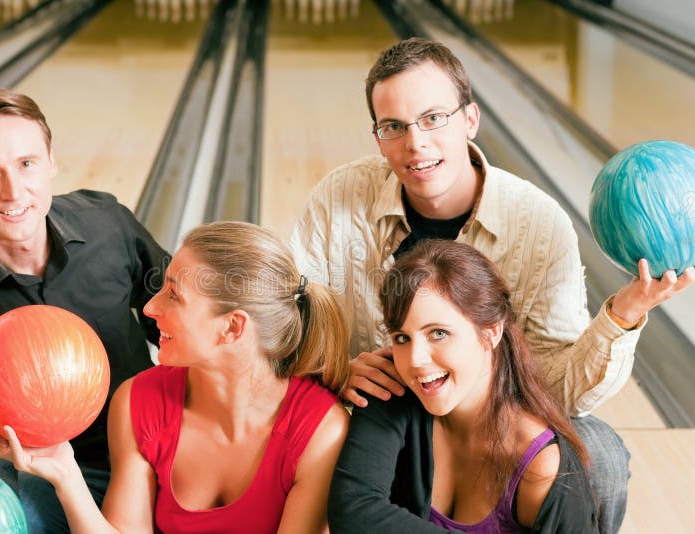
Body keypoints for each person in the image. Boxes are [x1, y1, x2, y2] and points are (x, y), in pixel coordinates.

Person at [290, 38, 695, 533]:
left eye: (434, 117)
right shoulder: (335, 199)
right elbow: (288, 328)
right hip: (376, 418)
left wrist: (623, 315)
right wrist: (331, 370)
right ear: (377, 136)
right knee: (290, 419)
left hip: (486, 425)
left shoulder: (539, 224)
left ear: (470, 119)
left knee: (597, 456)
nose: (415, 142)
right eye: (394, 126)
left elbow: (558, 391)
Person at [0, 88, 171, 533]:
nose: (14, 192)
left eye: (26, 164)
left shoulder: (107, 224)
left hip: (152, 451)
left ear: (50, 162)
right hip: (40, 477)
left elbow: (179, 324)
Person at [0, 221, 351, 533]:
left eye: (174, 295)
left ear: (232, 328)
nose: (149, 307)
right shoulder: (137, 402)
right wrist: (64, 471)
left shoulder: (319, 431)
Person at [328, 239, 598, 533]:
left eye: (438, 333)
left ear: (491, 331)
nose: (415, 361)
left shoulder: (544, 471)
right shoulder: (393, 386)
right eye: (402, 338)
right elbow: (353, 510)